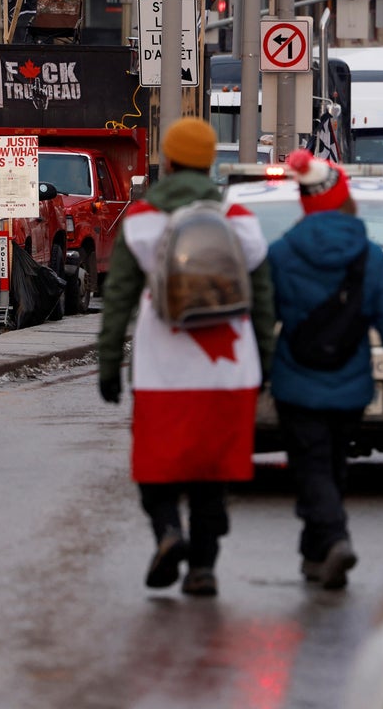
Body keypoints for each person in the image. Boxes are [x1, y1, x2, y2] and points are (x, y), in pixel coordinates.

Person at [97, 117, 276, 597]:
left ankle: (167, 533)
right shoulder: (238, 220)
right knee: (212, 471)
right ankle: (203, 569)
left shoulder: (142, 220)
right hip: (229, 368)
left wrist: (109, 362)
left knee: (156, 462)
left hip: (163, 368)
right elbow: (262, 296)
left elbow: (117, 298)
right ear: (209, 161)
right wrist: (267, 360)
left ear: (169, 161)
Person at [270, 149, 383, 590]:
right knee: (332, 465)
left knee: (309, 466)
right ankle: (316, 554)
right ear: (343, 199)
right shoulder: (369, 256)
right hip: (351, 382)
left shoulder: (282, 253)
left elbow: (263, 320)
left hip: (296, 381)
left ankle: (333, 539)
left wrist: (254, 376)